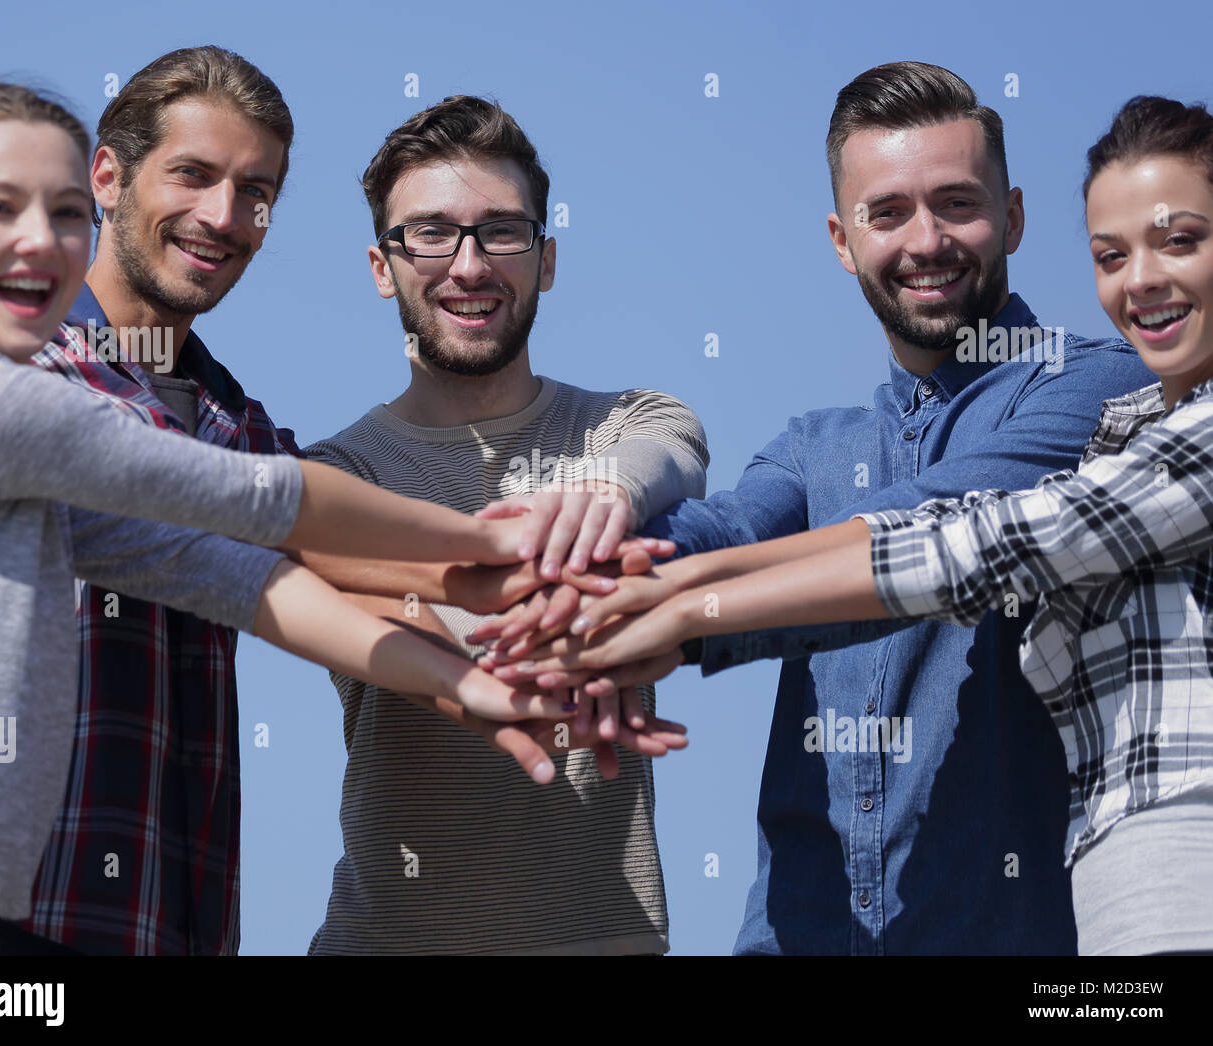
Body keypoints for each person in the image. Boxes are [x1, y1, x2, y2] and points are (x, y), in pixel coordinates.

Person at [495, 94, 1213, 957]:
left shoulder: (1099, 393)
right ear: (843, 240)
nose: (925, 242)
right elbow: (721, 531)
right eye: (888, 213)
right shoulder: (813, 447)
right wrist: (578, 578)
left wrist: (674, 616)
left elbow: (943, 532)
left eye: (957, 203)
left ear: (1014, 217)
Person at [0, 83, 578, 956]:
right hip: (15, 920)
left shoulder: (236, 422)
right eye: (192, 174)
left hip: (134, 921)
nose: (224, 215)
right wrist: (488, 541)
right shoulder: (5, 397)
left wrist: (478, 677)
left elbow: (244, 575)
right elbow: (257, 501)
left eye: (256, 193)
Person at [300, 96, 709, 955]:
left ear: (547, 259)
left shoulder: (627, 424)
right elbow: (371, 613)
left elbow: (661, 458)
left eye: (502, 232)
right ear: (383, 265)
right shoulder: (340, 476)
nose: (470, 264)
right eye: (431, 234)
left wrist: (598, 501)